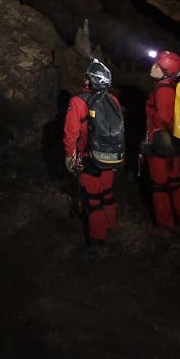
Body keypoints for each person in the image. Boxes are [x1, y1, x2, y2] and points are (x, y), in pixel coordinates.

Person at [63, 59, 119, 256]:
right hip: (111, 156)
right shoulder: (113, 100)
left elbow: (71, 133)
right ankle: (111, 226)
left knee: (93, 200)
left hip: (89, 157)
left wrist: (70, 157)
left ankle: (98, 243)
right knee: (107, 194)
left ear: (88, 80)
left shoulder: (77, 101)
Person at [143, 50, 180, 236]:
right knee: (175, 182)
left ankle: (165, 225)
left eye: (157, 65)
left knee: (159, 185)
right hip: (172, 141)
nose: (152, 66)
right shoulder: (171, 86)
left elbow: (163, 117)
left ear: (166, 72)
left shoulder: (163, 90)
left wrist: (156, 136)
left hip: (160, 142)